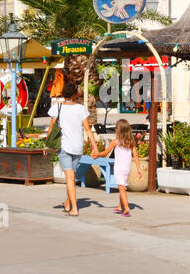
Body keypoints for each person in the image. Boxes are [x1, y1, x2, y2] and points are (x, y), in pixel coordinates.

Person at [44, 81, 99, 216]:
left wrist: (46, 145)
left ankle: (74, 208)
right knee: (72, 176)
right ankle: (68, 203)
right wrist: (95, 147)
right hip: (78, 147)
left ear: (63, 94)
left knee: (69, 177)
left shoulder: (57, 107)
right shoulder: (80, 109)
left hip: (64, 146)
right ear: (75, 94)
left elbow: (51, 128)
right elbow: (88, 129)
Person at [93, 118, 142, 217]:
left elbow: (106, 153)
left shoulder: (115, 142)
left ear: (118, 131)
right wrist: (138, 168)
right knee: (122, 186)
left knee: (121, 188)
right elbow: (136, 155)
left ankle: (126, 208)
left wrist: (97, 155)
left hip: (119, 169)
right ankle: (120, 207)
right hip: (127, 169)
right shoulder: (131, 142)